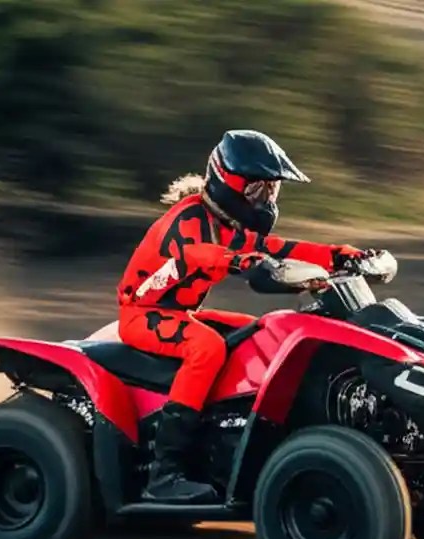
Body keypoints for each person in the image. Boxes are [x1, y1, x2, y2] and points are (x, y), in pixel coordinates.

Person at [115, 129, 372, 504]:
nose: (266, 199)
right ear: (227, 183)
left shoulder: (224, 224)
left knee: (266, 332)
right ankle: (164, 474)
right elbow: (199, 255)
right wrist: (242, 261)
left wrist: (338, 254)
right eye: (258, 190)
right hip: (142, 314)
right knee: (207, 348)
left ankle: (230, 433)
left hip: (184, 312)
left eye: (271, 190)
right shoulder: (187, 221)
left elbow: (275, 246)